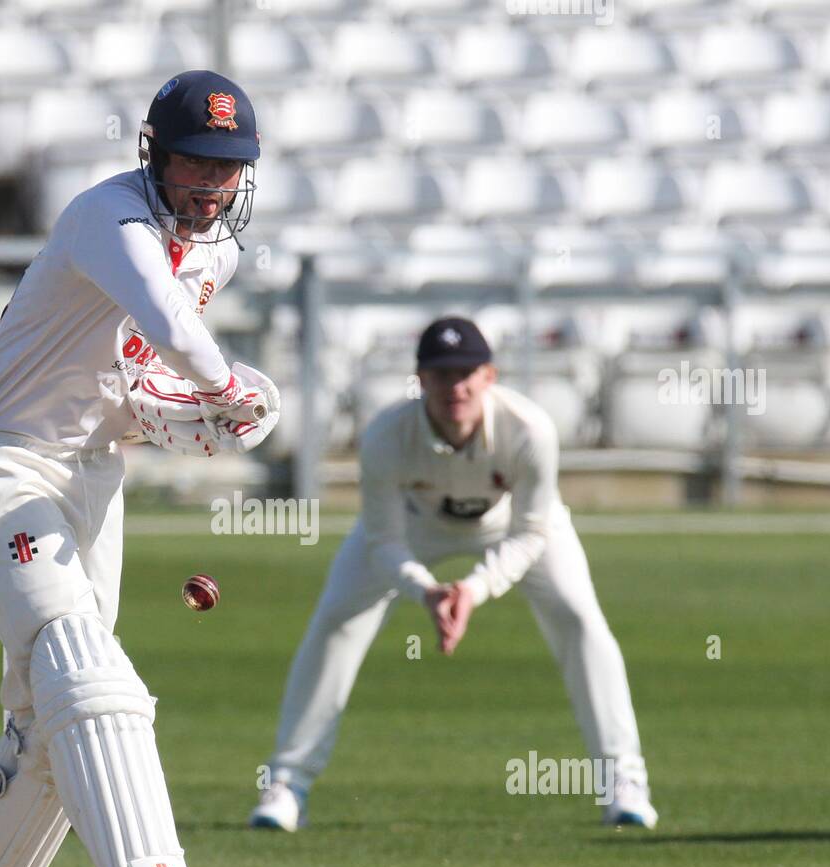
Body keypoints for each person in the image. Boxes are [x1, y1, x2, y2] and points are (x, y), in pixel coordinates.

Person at [0, 71, 276, 867]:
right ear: (154, 154)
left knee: (50, 708)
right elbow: (161, 321)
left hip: (93, 477)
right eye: (197, 160)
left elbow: (127, 376)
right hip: (5, 460)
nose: (213, 184)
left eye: (229, 167)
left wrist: (177, 416)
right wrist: (227, 388)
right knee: (85, 664)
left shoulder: (217, 255)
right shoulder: (105, 219)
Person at [250, 316, 657, 833]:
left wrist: (473, 589)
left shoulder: (530, 430)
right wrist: (425, 590)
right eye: (441, 375)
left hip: (513, 524)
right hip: (414, 530)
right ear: (421, 380)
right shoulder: (384, 437)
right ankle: (288, 785)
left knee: (579, 618)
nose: (455, 387)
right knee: (336, 621)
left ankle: (625, 783)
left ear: (490, 376)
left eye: (467, 374)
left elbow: (532, 532)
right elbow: (382, 541)